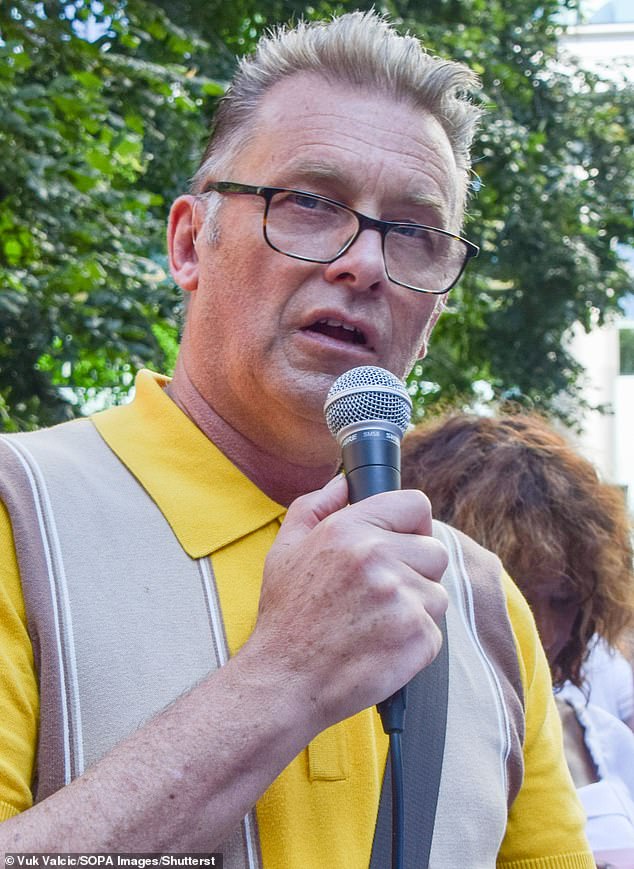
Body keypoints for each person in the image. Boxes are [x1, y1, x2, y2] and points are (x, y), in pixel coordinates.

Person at [0, 12, 592, 866]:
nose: (363, 263)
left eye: (414, 233)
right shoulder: (24, 513)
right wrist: (282, 679)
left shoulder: (481, 600)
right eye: (311, 204)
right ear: (189, 242)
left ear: (434, 314)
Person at [401, 411, 634, 854]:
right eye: (514, 597)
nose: (541, 632)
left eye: (563, 601)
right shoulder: (390, 739)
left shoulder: (604, 738)